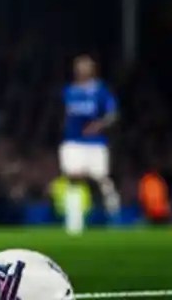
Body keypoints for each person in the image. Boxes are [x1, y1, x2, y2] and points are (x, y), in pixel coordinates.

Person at [59, 53, 120, 234]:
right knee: (73, 178)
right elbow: (65, 114)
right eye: (79, 66)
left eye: (85, 66)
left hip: (95, 143)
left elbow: (113, 114)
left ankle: (114, 216)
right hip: (73, 141)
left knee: (102, 179)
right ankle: (74, 224)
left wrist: (100, 124)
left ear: (92, 69)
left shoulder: (100, 90)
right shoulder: (69, 91)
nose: (82, 70)